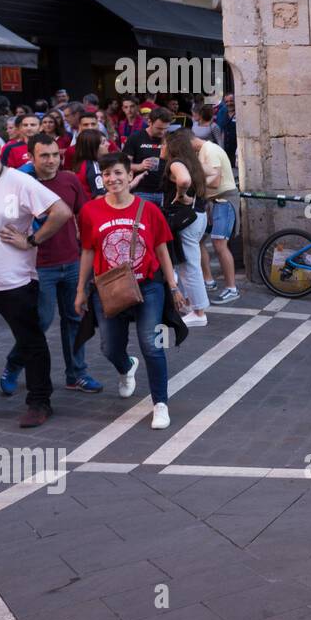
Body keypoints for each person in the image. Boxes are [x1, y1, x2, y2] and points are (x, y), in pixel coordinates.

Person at [0, 127, 74, 427]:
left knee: (31, 344)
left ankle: (39, 403)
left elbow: (61, 212)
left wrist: (32, 240)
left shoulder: (19, 182)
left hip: (14, 283)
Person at [74, 152, 186, 430]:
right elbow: (88, 250)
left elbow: (162, 249)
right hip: (108, 288)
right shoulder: (90, 211)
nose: (113, 179)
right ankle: (126, 367)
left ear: (129, 175)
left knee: (152, 344)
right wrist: (81, 290)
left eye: (118, 173)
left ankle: (160, 404)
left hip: (148, 286)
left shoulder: (149, 210)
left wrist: (173, 287)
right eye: (107, 174)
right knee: (109, 346)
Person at [0, 133, 101, 397]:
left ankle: (76, 374)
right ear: (31, 157)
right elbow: (4, 222)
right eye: (44, 155)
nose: (52, 160)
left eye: (56, 154)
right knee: (40, 322)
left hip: (71, 262)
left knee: (75, 319)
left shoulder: (69, 180)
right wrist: (25, 240)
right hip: (38, 266)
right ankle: (13, 364)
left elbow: (84, 215)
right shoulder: (21, 184)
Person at [162, 130, 209, 327]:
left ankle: (199, 312)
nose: (161, 147)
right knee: (188, 264)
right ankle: (193, 305)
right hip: (196, 217)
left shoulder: (176, 163)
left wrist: (181, 194)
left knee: (190, 266)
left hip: (186, 220)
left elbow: (183, 180)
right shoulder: (192, 162)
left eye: (164, 144)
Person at [193, 131, 240, 303]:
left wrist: (191, 184)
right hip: (212, 202)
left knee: (220, 243)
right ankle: (208, 281)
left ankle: (231, 288)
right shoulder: (203, 150)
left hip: (224, 201)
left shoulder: (210, 150)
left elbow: (215, 181)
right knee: (198, 239)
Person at [124, 107, 171, 208]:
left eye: (165, 129)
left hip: (165, 192)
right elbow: (123, 164)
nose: (162, 132)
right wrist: (140, 166)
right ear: (149, 122)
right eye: (159, 128)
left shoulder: (169, 138)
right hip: (142, 191)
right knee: (141, 221)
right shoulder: (136, 137)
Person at [69, 129, 108, 198]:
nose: (108, 144)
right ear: (93, 146)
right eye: (103, 143)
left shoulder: (82, 162)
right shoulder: (93, 166)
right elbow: (99, 197)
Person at [214, 93, 237, 168]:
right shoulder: (221, 113)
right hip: (225, 149)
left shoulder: (240, 112)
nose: (229, 103)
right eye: (226, 102)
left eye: (231, 101)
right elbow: (219, 129)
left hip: (237, 150)